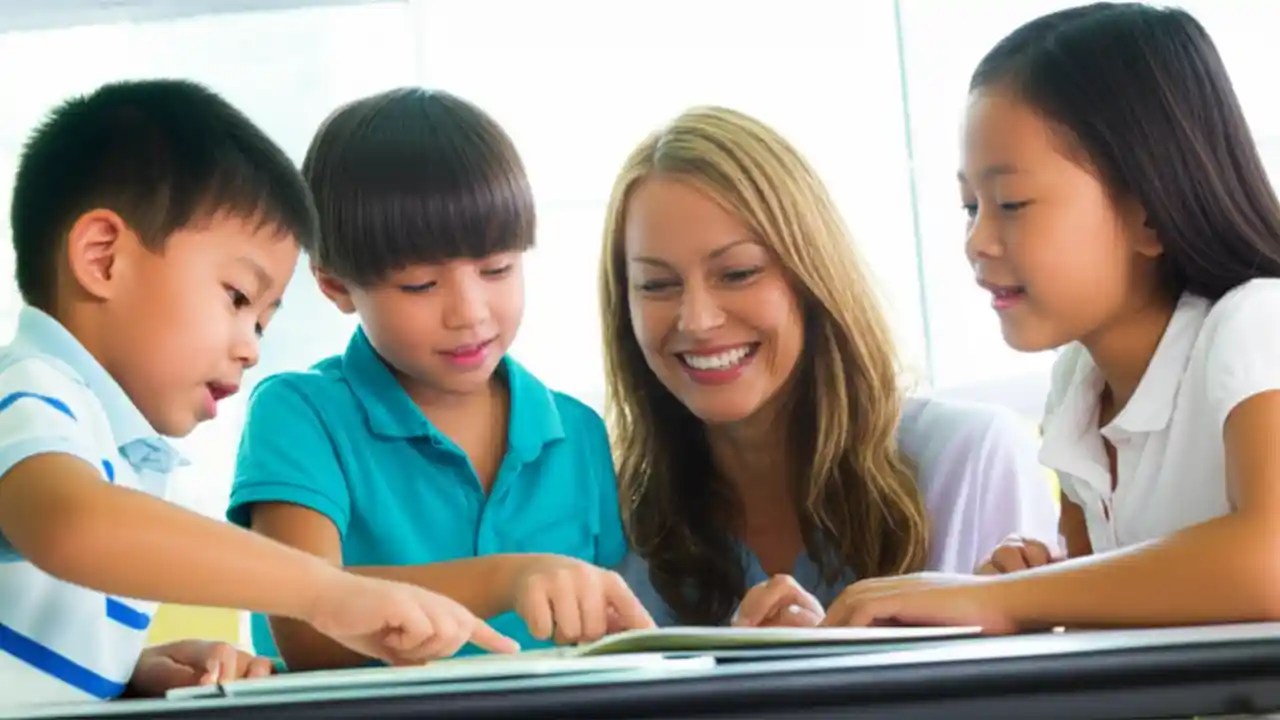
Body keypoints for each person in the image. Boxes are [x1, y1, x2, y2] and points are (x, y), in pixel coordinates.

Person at [0, 80, 514, 708]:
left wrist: (131, 668)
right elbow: (71, 525)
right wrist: (327, 592)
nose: (251, 348)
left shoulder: (105, 445)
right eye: (238, 298)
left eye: (263, 323)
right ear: (103, 259)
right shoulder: (27, 391)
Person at [821, 2, 1280, 631]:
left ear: (1149, 212)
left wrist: (1009, 597)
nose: (976, 241)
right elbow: (1112, 638)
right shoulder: (1079, 386)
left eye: (1010, 202)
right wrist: (1042, 594)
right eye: (969, 206)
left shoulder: (1256, 324)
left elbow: (1270, 563)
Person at [229, 88, 652, 671]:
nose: (470, 312)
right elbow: (307, 624)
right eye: (421, 285)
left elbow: (619, 636)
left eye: (497, 269)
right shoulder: (300, 414)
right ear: (335, 286)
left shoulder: (577, 433)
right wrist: (509, 578)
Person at [599, 105, 1059, 628]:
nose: (698, 319)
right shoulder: (613, 526)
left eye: (739, 272)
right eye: (657, 285)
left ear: (812, 277)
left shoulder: (967, 462)